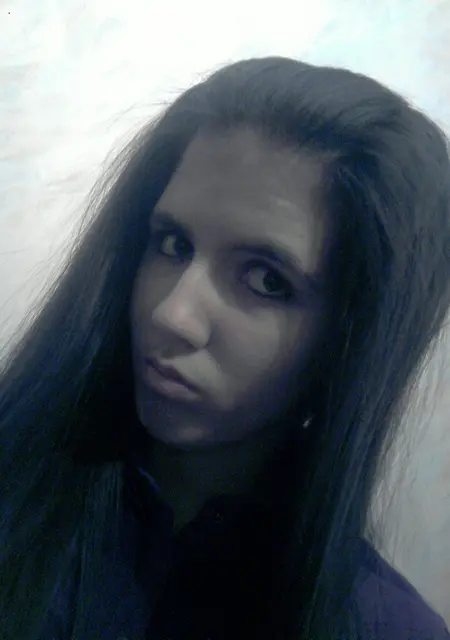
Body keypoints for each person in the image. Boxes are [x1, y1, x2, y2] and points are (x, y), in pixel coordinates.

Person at [1, 56, 450, 640]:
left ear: (354, 337)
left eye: (265, 279)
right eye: (172, 243)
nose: (172, 315)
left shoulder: (386, 628)